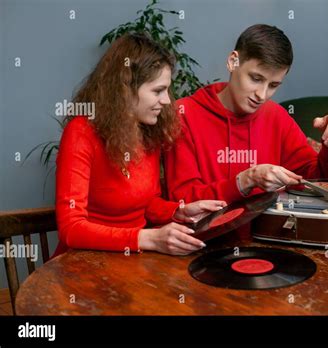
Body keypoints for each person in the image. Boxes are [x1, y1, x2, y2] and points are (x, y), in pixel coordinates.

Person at [164, 24, 328, 240]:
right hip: (201, 250)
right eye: (256, 78)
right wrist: (245, 181)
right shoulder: (183, 114)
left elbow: (322, 186)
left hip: (268, 247)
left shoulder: (276, 116)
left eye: (273, 85)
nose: (262, 95)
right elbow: (182, 202)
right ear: (233, 61)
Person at [54, 34, 226, 257]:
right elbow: (71, 229)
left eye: (167, 90)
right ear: (125, 90)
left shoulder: (148, 129)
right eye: (157, 91)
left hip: (133, 258)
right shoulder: (80, 132)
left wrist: (180, 211)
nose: (166, 100)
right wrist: (146, 238)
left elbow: (148, 204)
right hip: (85, 261)